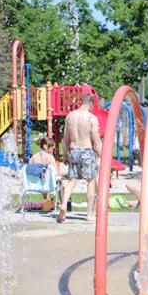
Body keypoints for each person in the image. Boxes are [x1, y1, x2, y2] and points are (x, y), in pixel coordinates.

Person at [57, 93, 102, 223]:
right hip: (87, 150)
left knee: (72, 180)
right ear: (92, 104)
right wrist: (103, 156)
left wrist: (65, 154)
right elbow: (97, 141)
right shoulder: (91, 118)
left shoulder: (70, 116)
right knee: (91, 181)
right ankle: (89, 214)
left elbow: (65, 138)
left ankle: (64, 204)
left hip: (74, 150)